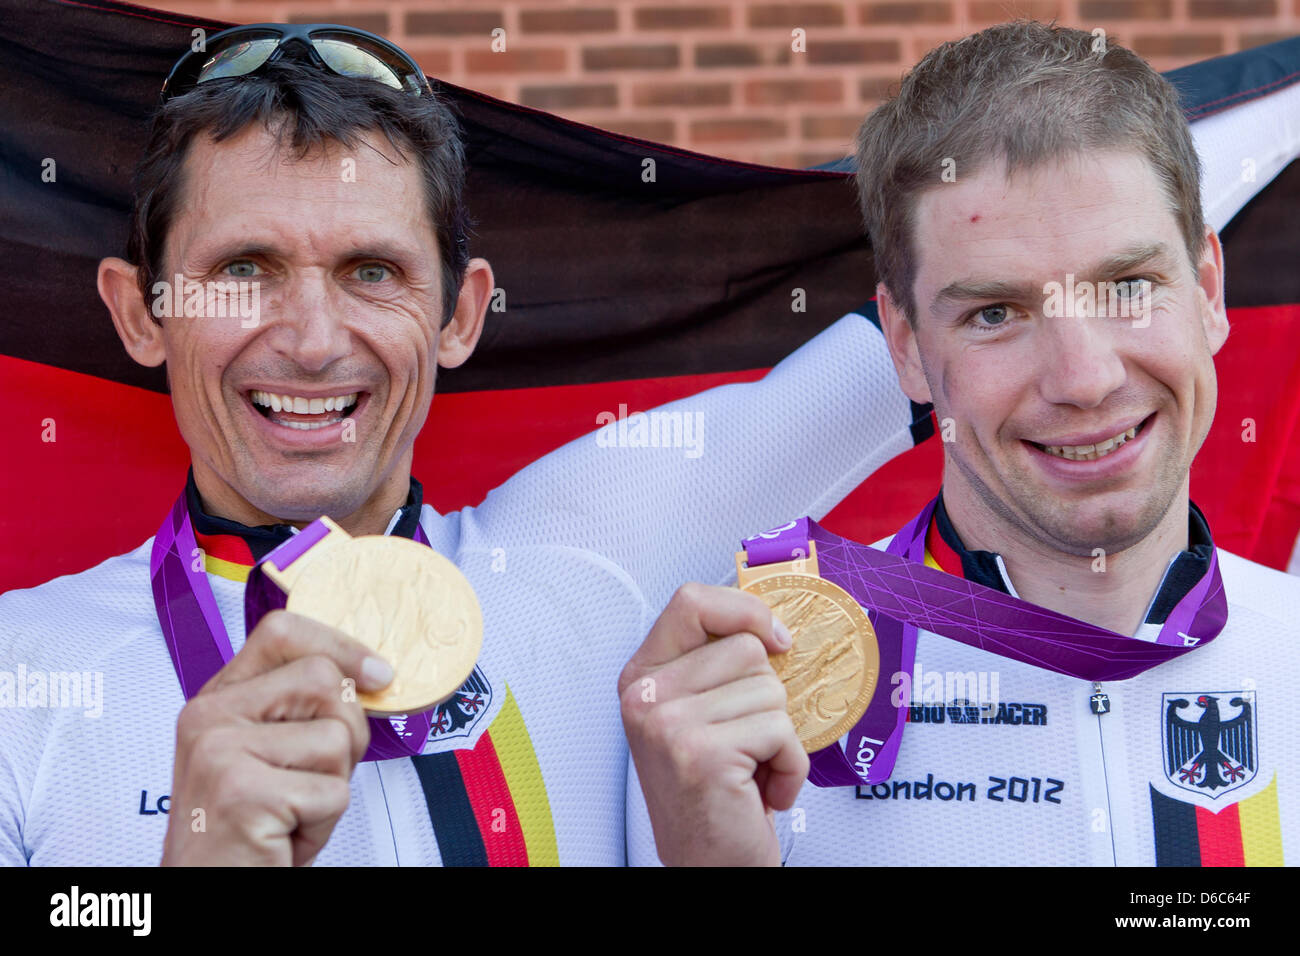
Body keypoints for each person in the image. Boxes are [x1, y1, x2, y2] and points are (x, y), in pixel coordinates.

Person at [0, 23, 923, 866]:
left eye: (373, 271)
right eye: (244, 270)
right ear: (140, 312)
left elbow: (955, 321)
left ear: (461, 314)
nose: (313, 340)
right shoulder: (21, 678)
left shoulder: (597, 551)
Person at [622, 21, 1300, 866]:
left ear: (1206, 291)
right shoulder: (742, 709)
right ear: (904, 347)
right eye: (995, 313)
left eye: (1128, 285)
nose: (1083, 379)